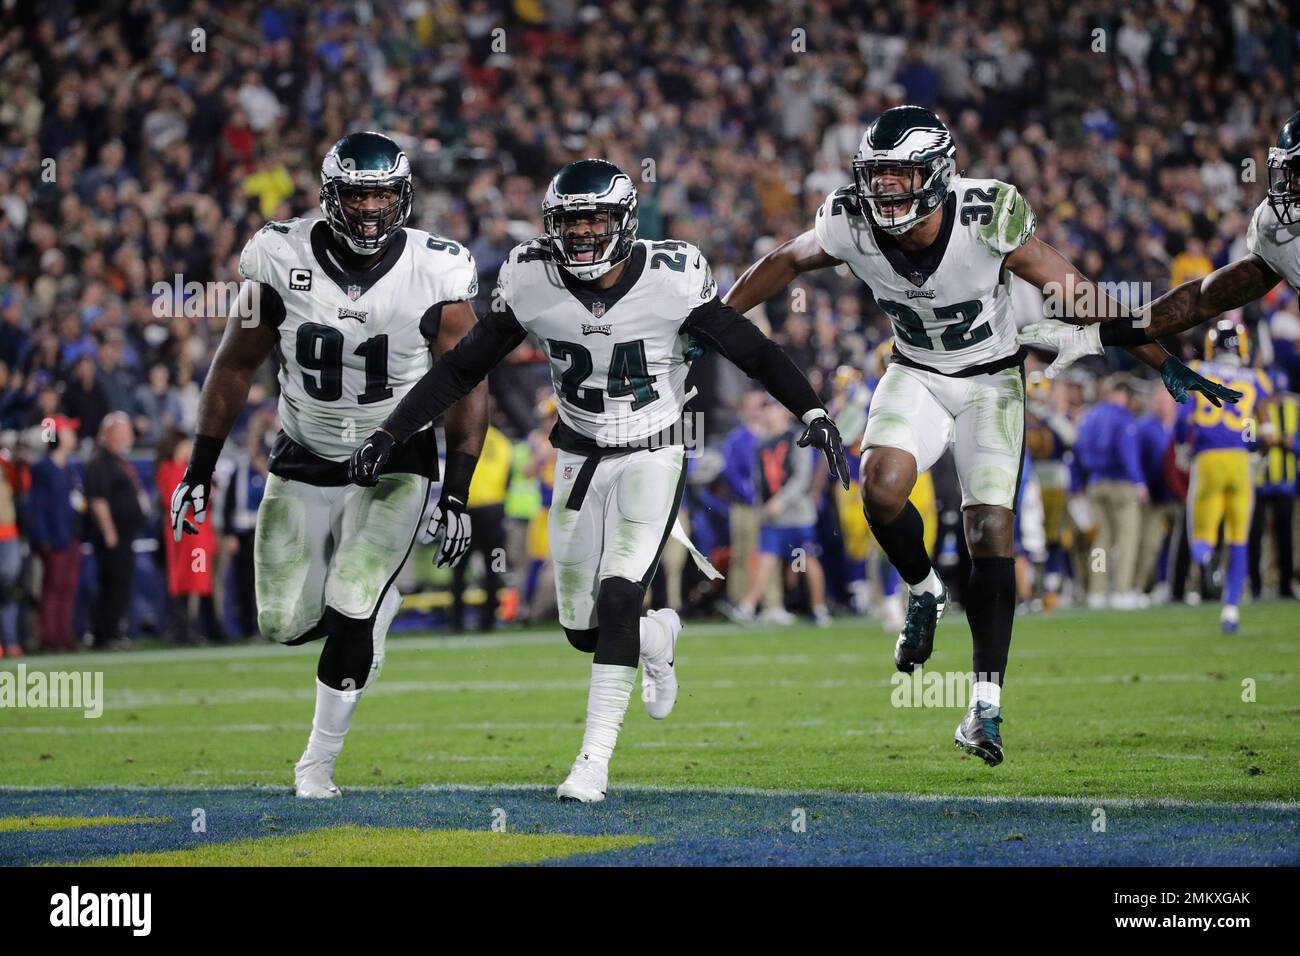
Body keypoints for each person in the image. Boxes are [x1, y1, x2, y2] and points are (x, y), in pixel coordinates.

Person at [721, 105, 1233, 766]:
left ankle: (984, 707)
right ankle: (925, 588)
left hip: (993, 382)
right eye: (877, 177)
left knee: (991, 529)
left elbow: (1078, 293)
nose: (885, 191)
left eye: (901, 177)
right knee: (879, 489)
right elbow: (785, 260)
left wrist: (1165, 362)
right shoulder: (851, 222)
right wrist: (716, 318)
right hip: (915, 373)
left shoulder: (986, 213)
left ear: (935, 174)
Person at [347, 158, 849, 803]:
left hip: (654, 450)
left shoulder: (670, 279)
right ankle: (657, 634)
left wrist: (810, 408)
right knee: (584, 629)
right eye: (570, 220)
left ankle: (593, 763)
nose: (582, 232)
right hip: (579, 456)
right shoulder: (530, 277)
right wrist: (391, 431)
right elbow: (463, 367)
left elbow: (749, 347)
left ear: (624, 221)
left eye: (594, 218)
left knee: (617, 597)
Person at [168, 132, 488, 798]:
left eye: (381, 194)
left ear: (402, 196)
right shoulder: (278, 255)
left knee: (350, 599)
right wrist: (199, 467)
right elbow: (233, 365)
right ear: (329, 195)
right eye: (356, 193)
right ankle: (368, 615)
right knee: (282, 623)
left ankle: (316, 762)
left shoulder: (439, 268)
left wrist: (457, 491)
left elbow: (466, 382)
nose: (369, 208)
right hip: (304, 452)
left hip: (395, 456)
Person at [1018, 109, 1300, 370]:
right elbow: (1202, 300)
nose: (1289, 186)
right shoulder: (1277, 226)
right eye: (1289, 175)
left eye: (1297, 175)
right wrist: (1104, 334)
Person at [1175, 321, 1277, 633]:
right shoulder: (1257, 379)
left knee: (1201, 537)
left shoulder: (1195, 369)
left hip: (1208, 461)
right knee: (1239, 539)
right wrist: (1259, 453)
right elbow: (1269, 431)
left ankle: (1208, 564)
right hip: (1240, 462)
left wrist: (1182, 447)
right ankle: (1230, 611)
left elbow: (1182, 417)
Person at [1073, 375, 1145, 609]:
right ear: (1124, 395)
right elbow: (1127, 452)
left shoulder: (1090, 416)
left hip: (1095, 483)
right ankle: (1122, 591)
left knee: (1101, 541)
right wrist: (1138, 481)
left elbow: (1078, 450)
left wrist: (1080, 483)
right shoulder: (1123, 418)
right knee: (1127, 538)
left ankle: (1097, 591)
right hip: (1121, 484)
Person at [156, 429, 224, 644]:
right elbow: (176, 501)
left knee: (199, 582)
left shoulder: (186, 469)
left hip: (198, 534)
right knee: (187, 582)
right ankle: (185, 630)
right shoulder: (170, 470)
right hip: (187, 535)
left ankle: (201, 629)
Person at [84, 412, 146, 648]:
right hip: (113, 536)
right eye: (124, 431)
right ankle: (104, 634)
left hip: (124, 534)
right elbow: (98, 500)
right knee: (112, 583)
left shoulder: (118, 460)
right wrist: (109, 532)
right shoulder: (100, 461)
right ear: (109, 434)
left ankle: (113, 630)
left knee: (121, 584)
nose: (129, 436)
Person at [28, 417, 81, 651]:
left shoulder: (69, 468)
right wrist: (44, 538)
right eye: (69, 431)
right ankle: (49, 637)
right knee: (53, 588)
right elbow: (36, 507)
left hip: (71, 534)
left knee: (67, 587)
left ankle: (64, 635)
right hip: (55, 537)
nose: (73, 435)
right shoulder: (43, 468)